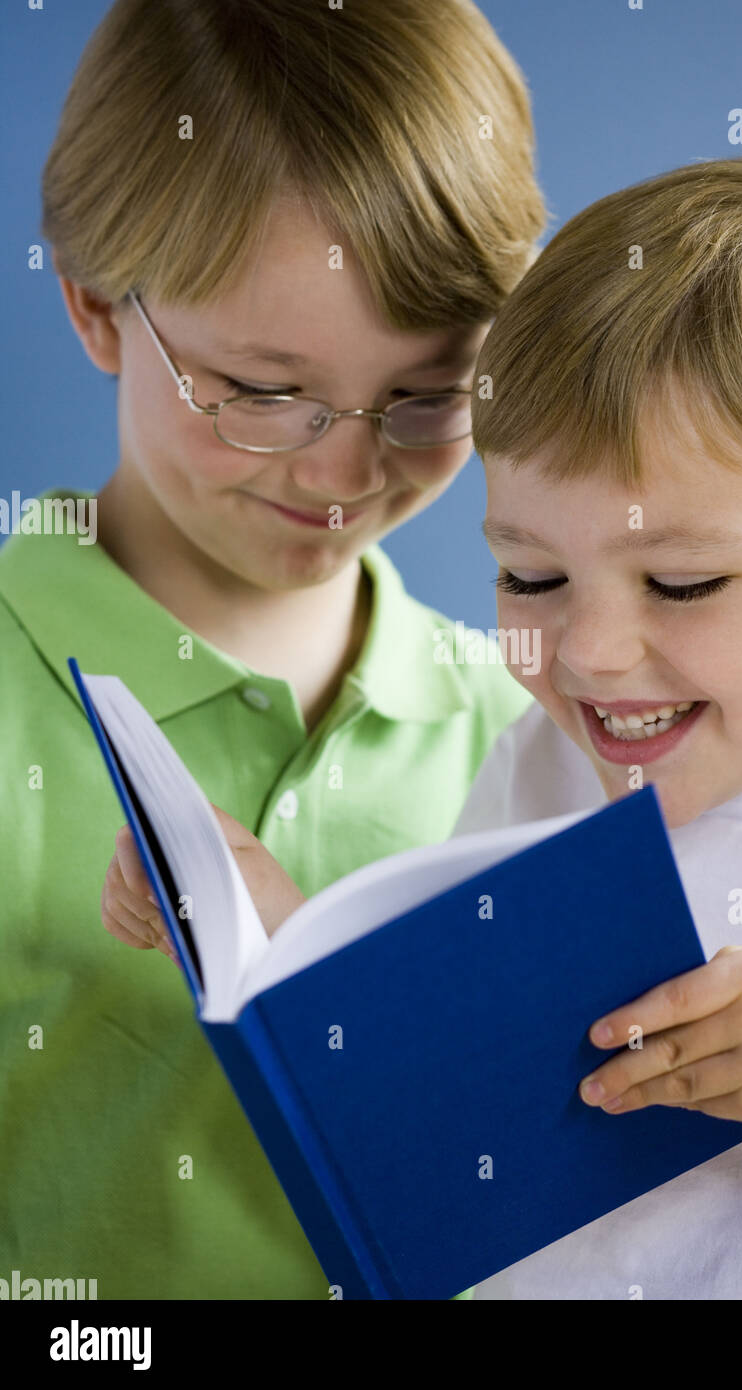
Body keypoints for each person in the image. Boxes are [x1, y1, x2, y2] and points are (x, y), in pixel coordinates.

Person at [105, 152, 742, 1299]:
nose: (588, 655)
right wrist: (283, 939)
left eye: (681, 585)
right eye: (529, 573)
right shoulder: (550, 761)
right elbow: (468, 1101)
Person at [0, 0, 547, 1300]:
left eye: (431, 392)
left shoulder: (535, 720)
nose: (346, 471)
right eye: (257, 392)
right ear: (90, 306)